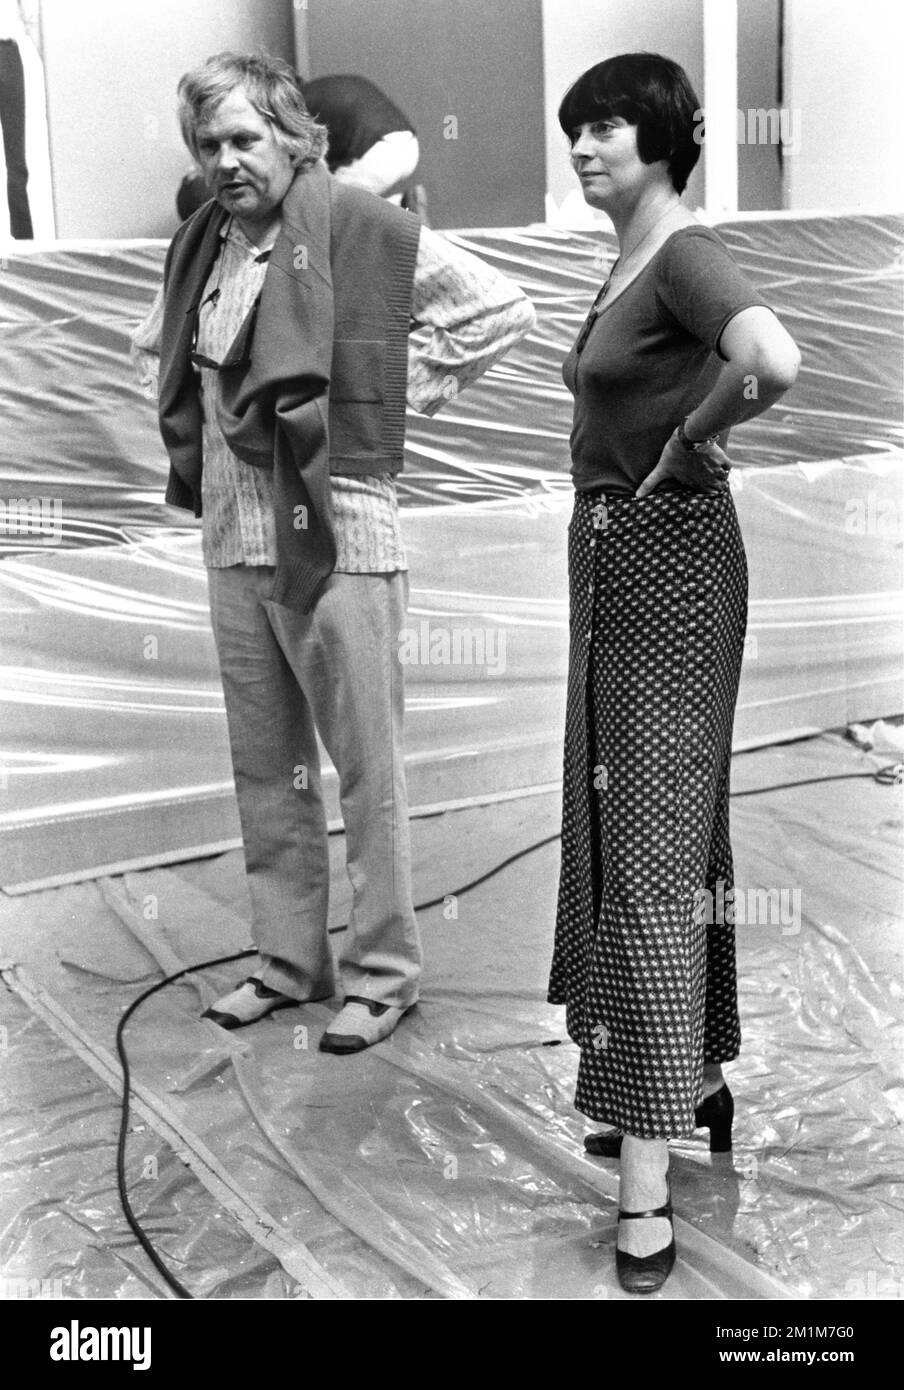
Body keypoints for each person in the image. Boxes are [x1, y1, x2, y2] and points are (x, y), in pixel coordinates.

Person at [131, 51, 534, 1055]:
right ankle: (287, 963)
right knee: (268, 768)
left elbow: (498, 312)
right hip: (232, 534)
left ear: (292, 137)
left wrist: (390, 397)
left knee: (364, 771)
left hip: (341, 534)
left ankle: (384, 974)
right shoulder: (203, 245)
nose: (225, 161)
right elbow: (166, 356)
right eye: (207, 144)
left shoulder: (359, 228)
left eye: (243, 139)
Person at [546, 52, 800, 1293]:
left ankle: (643, 1191)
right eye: (575, 129)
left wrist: (694, 442)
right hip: (619, 560)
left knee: (649, 854)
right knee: (645, 834)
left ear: (660, 139)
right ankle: (683, 1076)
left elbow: (772, 357)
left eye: (606, 128)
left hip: (668, 561)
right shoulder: (631, 251)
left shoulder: (685, 251)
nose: (584, 147)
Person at [300, 73, 420, 204]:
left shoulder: (294, 106)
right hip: (408, 146)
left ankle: (400, 208)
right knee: (344, 205)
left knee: (318, 206)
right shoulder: (319, 91)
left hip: (374, 154)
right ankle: (401, 204)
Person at [0, 0, 37, 238]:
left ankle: (23, 238)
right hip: (8, 56)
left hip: (8, 53)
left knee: (16, 160)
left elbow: (32, 16)